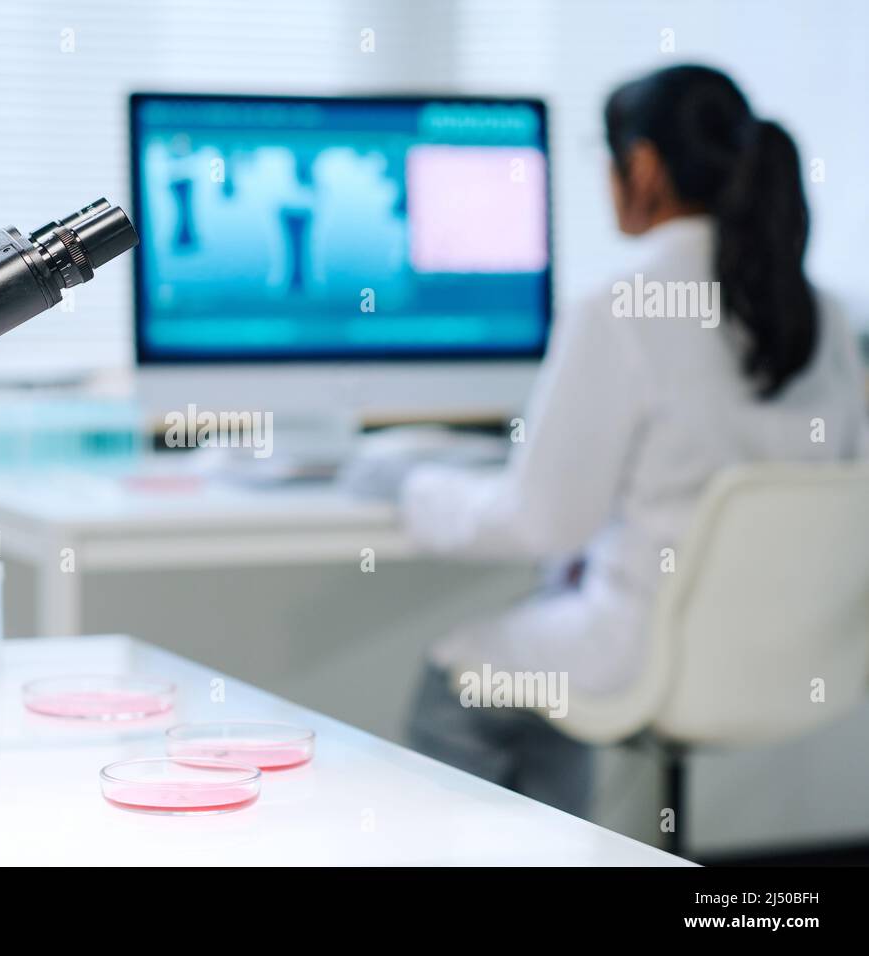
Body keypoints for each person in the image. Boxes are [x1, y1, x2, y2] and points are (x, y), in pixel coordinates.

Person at [346, 65, 867, 817]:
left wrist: (409, 485)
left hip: (648, 656)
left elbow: (541, 521)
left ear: (644, 167)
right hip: (798, 657)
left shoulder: (618, 308)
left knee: (462, 678)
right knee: (543, 657)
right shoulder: (826, 316)